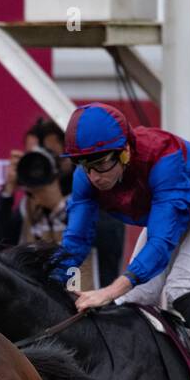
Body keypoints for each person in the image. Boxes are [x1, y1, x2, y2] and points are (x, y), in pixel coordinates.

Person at [54, 102, 190, 380]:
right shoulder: (87, 178)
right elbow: (76, 242)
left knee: (181, 288)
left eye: (100, 164)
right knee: (136, 299)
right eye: (84, 166)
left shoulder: (165, 160)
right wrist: (51, 280)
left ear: (124, 152)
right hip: (171, 208)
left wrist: (108, 292)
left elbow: (160, 244)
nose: (94, 177)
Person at [24, 117, 124, 281]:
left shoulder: (99, 188)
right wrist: (6, 194)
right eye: (36, 155)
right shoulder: (31, 201)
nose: (43, 162)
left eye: (51, 154)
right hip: (44, 293)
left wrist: (60, 207)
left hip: (91, 292)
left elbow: (110, 241)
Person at [0, 148, 99, 289]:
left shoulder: (86, 201)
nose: (36, 171)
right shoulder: (26, 208)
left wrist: (58, 206)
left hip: (82, 295)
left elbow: (101, 237)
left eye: (40, 166)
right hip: (36, 297)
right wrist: (8, 190)